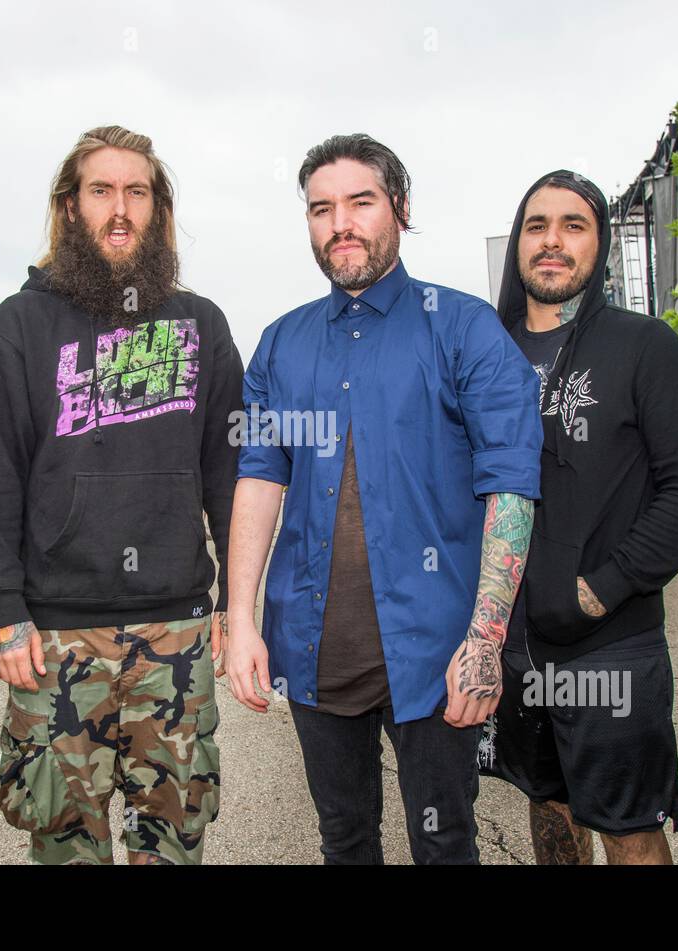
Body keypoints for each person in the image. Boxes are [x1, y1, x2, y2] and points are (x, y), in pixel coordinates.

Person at [226, 133, 541, 864]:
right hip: (312, 650)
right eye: (321, 208)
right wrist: (241, 619)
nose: (340, 223)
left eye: (360, 202)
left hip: (437, 651)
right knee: (344, 839)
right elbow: (258, 478)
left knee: (445, 841)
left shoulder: (464, 327)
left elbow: (513, 487)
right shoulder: (279, 344)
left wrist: (485, 641)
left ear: (399, 208)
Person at [0, 125, 242, 865]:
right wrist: (1, 612)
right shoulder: (20, 324)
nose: (120, 209)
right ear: (68, 208)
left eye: (137, 192)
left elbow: (230, 476)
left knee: (173, 845)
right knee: (66, 848)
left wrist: (233, 607)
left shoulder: (203, 324)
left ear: (158, 210)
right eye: (101, 191)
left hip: (176, 633)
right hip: (57, 639)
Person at [479, 170, 678, 864]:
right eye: (537, 225)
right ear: (518, 243)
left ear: (600, 244)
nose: (552, 241)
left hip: (609, 643)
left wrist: (601, 587)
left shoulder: (645, 348)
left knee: (627, 823)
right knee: (545, 800)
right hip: (512, 642)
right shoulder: (484, 354)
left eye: (573, 225)